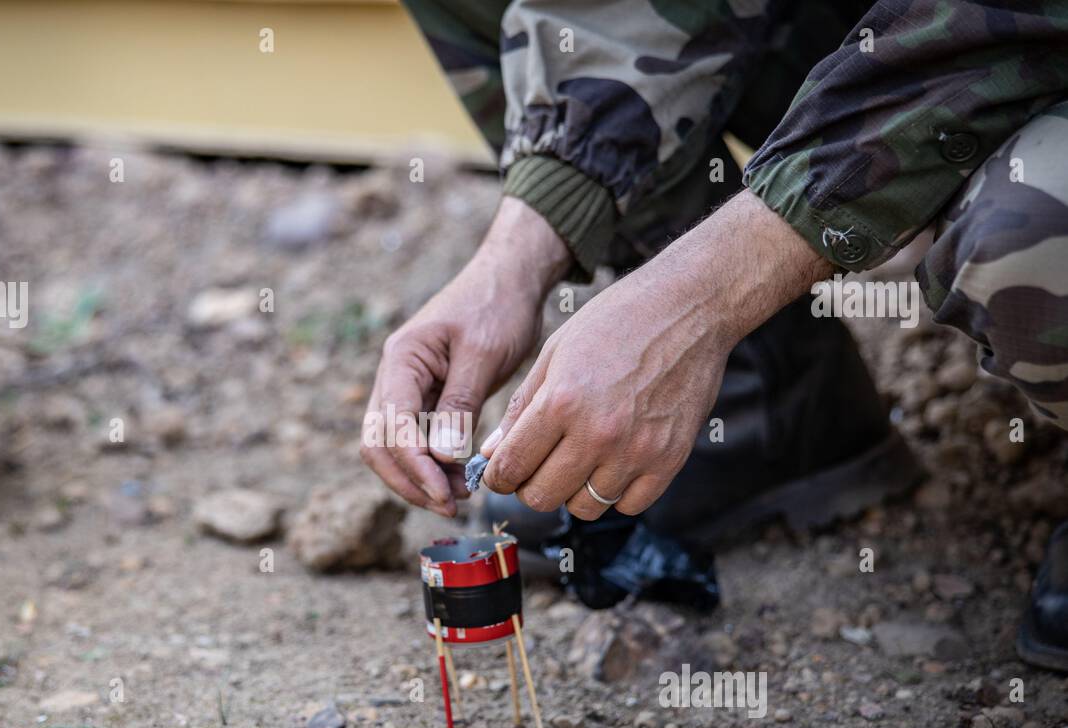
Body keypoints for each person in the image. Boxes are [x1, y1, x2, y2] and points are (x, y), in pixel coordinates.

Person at [360, 0, 1068, 670]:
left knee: (1030, 238)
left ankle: (702, 359)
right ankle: (762, 392)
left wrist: (696, 302)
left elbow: (996, 25)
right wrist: (513, 260)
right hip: (884, 48)